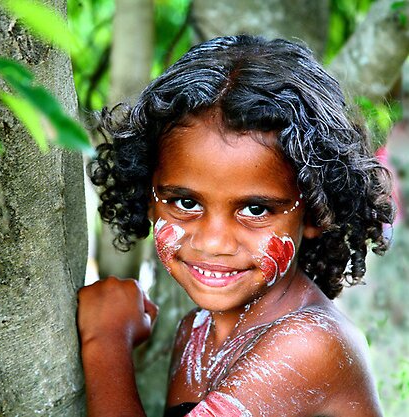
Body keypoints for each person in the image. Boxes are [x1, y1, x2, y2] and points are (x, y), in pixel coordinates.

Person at [77, 35, 395, 417]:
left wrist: (106, 341)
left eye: (256, 210)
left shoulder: (310, 345)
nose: (213, 242)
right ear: (148, 195)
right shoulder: (196, 330)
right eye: (186, 203)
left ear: (314, 213)